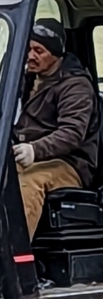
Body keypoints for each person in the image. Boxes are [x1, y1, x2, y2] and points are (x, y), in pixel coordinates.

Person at [13, 18, 101, 237]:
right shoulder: (26, 79)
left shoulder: (75, 85)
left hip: (70, 164)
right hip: (29, 155)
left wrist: (34, 150)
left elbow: (71, 133)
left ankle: (15, 256)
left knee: (29, 182)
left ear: (56, 53)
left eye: (39, 50)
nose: (31, 56)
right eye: (28, 49)